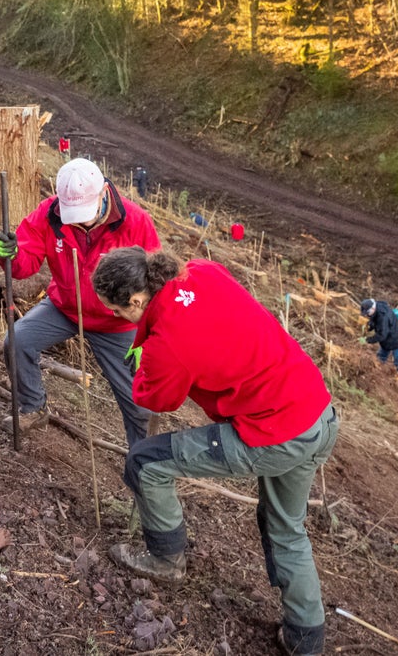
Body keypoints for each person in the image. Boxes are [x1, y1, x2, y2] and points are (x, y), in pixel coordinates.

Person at [92, 247, 338, 655]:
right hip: (317, 412)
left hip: (275, 430)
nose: (120, 320)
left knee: (146, 462)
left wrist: (143, 364)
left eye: (119, 312)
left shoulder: (166, 343)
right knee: (286, 528)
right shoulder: (199, 271)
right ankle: (305, 639)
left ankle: (165, 561)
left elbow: (158, 398)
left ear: (136, 300)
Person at [0, 158, 160, 448]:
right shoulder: (49, 213)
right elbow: (24, 266)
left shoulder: (135, 222)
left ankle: (143, 464)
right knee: (16, 340)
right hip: (64, 307)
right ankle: (34, 406)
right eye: (73, 213)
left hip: (117, 323)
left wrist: (148, 332)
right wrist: (10, 254)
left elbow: (155, 284)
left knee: (138, 402)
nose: (80, 221)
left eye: (85, 212)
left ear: (104, 192)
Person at [359, 298, 398, 379]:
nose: (367, 315)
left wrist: (367, 340)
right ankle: (379, 373)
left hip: (397, 339)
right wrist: (369, 326)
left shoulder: (383, 316)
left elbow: (381, 335)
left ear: (373, 308)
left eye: (367, 312)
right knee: (380, 357)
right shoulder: (377, 307)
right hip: (387, 340)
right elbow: (374, 319)